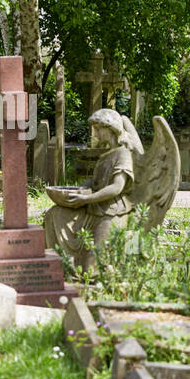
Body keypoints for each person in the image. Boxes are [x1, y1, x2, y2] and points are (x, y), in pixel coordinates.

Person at [43, 108, 140, 270]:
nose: (95, 134)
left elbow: (117, 187)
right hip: (95, 208)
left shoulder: (123, 153)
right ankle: (58, 266)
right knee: (55, 214)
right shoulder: (107, 155)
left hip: (113, 212)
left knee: (93, 266)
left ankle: (88, 273)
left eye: (98, 129)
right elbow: (96, 182)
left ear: (110, 128)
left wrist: (87, 198)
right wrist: (81, 189)